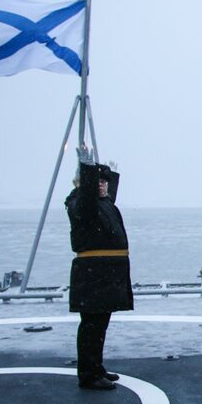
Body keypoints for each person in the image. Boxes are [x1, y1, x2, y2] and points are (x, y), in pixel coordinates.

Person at [65, 146, 133, 391]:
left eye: (106, 182)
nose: (103, 186)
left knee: (99, 325)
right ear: (84, 183)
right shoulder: (80, 205)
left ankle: (97, 367)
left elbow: (106, 194)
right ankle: (89, 374)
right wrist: (87, 167)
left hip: (105, 275)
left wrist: (111, 174)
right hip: (94, 276)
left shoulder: (103, 203)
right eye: (98, 182)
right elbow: (86, 199)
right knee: (91, 326)